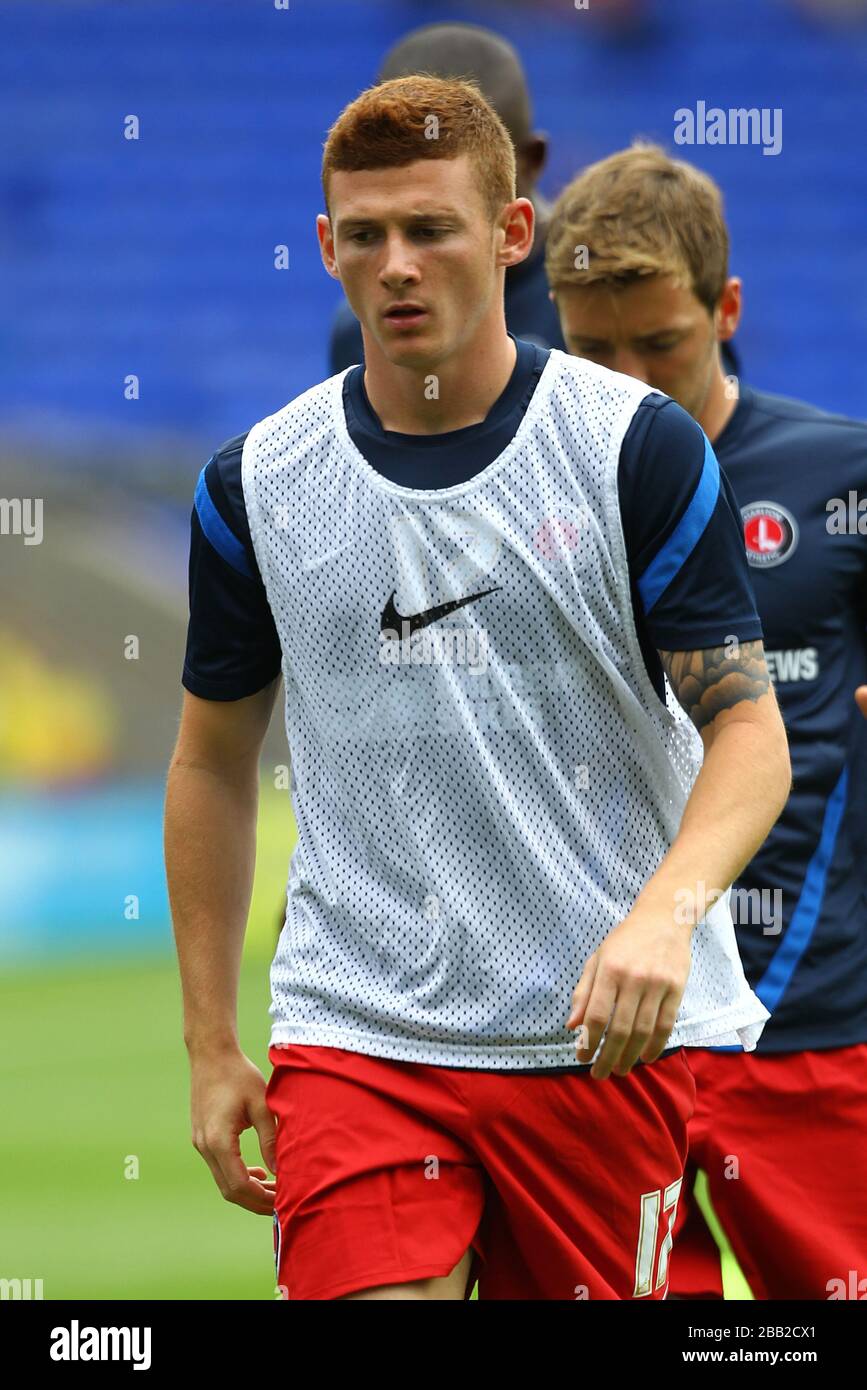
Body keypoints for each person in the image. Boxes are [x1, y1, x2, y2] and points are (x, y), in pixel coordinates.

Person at [165, 78, 788, 1302]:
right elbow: (209, 761)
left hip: (597, 1047)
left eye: (431, 229)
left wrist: (666, 914)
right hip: (359, 1036)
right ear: (326, 249)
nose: (396, 265)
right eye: (366, 235)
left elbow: (748, 729)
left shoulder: (635, 449)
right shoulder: (257, 485)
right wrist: (209, 1042)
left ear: (509, 235)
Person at [545, 142, 867, 1300]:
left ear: (727, 310)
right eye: (591, 351)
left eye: (661, 345)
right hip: (596, 1039)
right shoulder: (521, 488)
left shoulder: (843, 476)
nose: (626, 380)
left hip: (811, 1029)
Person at [328, 22, 565, 372]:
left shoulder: (598, 299)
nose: (398, 269)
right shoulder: (361, 330)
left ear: (530, 161)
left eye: (430, 228)